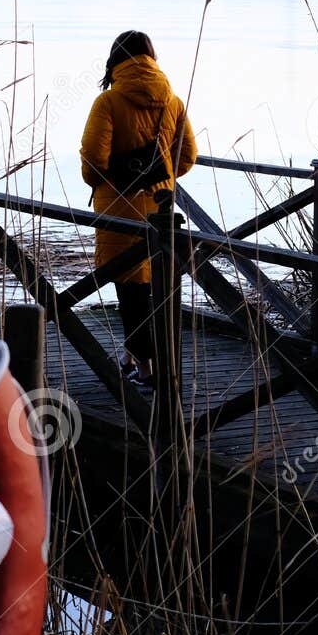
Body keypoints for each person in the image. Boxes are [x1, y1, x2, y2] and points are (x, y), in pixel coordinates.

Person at [79, 30, 197, 385]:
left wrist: (114, 180)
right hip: (161, 208)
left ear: (116, 59)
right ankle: (133, 358)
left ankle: (147, 370)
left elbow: (93, 163)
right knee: (155, 287)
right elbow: (188, 156)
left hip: (119, 206)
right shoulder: (172, 101)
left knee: (129, 289)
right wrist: (160, 179)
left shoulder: (108, 102)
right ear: (151, 57)